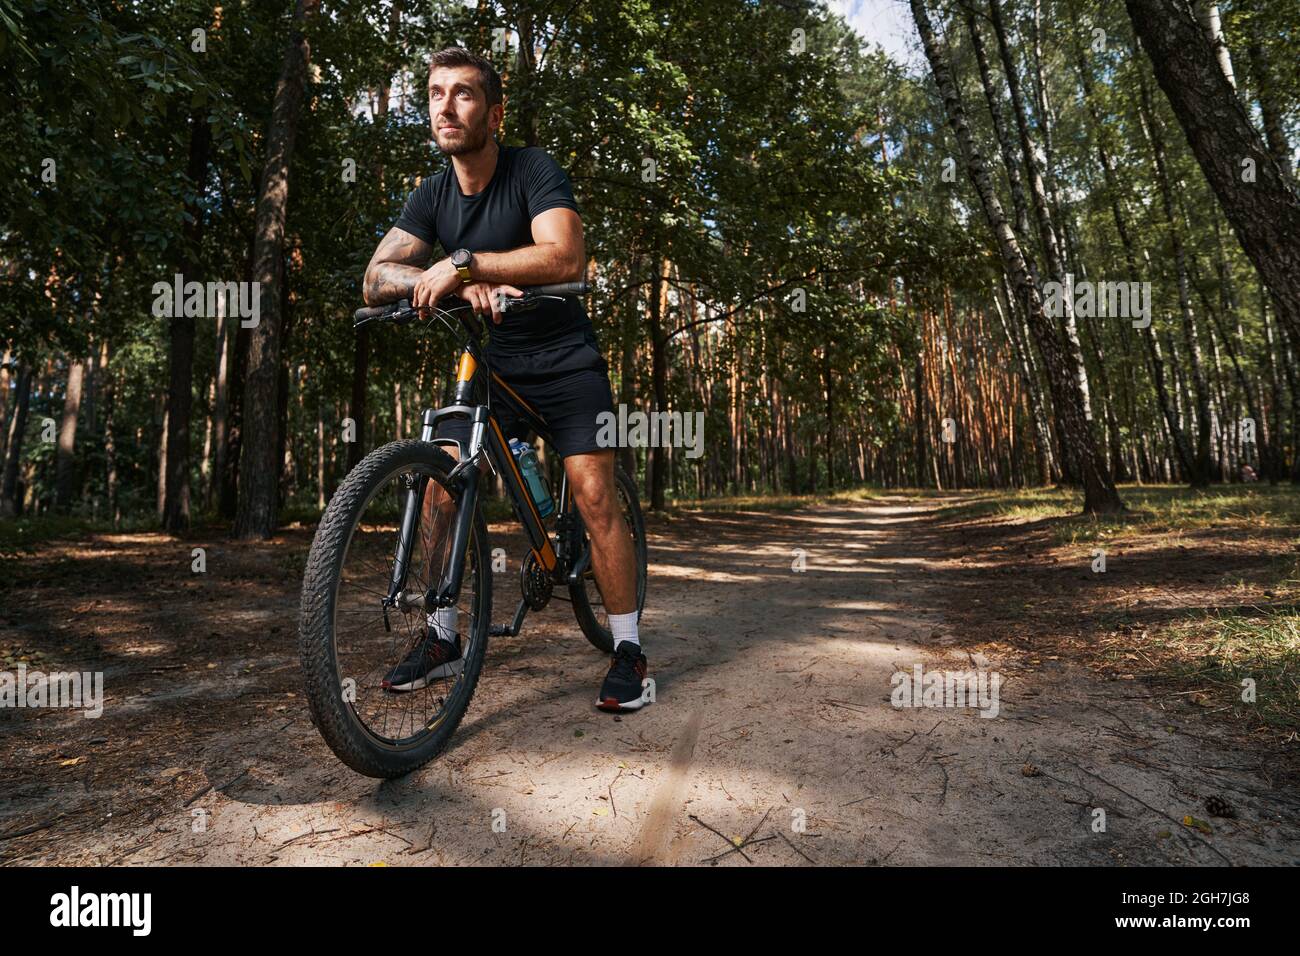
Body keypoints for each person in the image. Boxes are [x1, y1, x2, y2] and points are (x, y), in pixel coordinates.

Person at [361, 47, 649, 713]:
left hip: (568, 360)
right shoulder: (432, 193)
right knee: (442, 482)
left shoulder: (532, 170)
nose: (446, 106)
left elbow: (565, 253)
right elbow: (378, 278)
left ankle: (629, 649)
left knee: (594, 491)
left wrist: (466, 264)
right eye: (436, 93)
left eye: (463, 94)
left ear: (493, 111)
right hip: (498, 366)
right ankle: (441, 636)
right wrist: (452, 279)